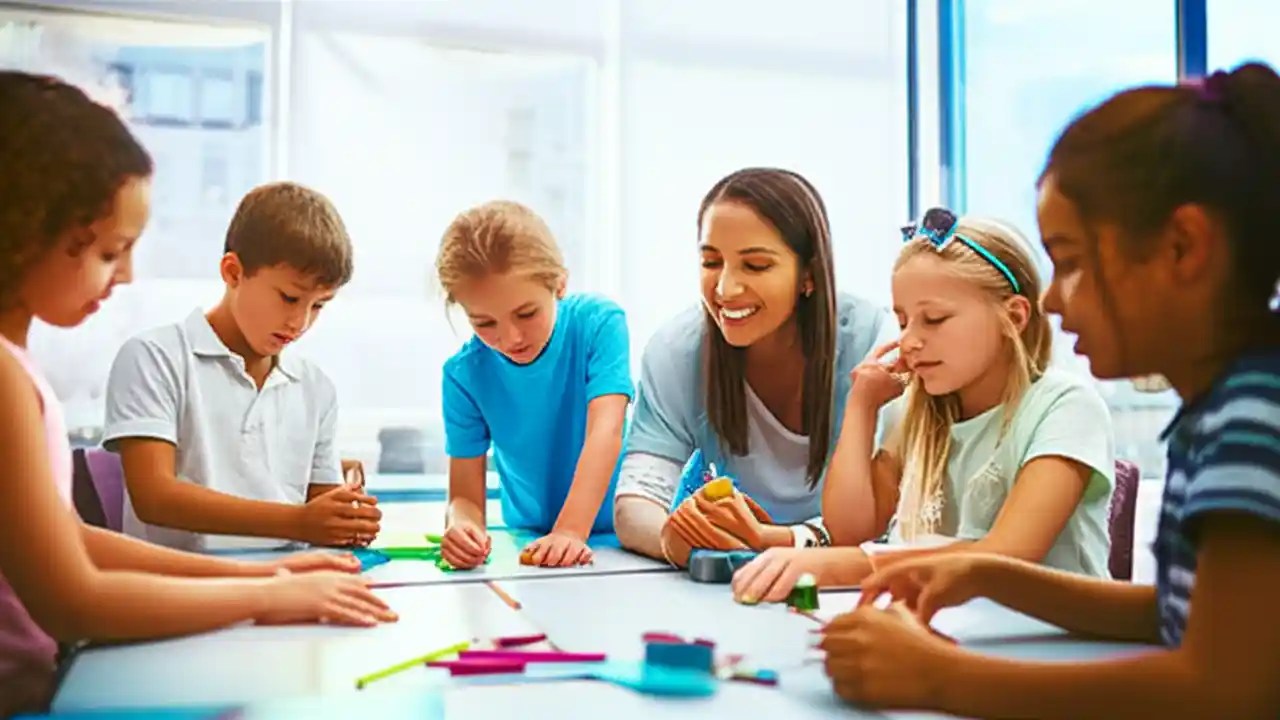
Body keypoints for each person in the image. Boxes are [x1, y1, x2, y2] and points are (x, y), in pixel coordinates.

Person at [821, 63, 1280, 718]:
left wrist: (938, 678)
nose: (1054, 299)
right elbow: (1175, 614)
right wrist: (985, 573)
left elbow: (1223, 687)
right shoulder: (1221, 410)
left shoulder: (1254, 417)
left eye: (1072, 263)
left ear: (1184, 247)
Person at [0, 71, 394, 718]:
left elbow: (72, 540)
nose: (125, 275)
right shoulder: (13, 379)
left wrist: (273, 573)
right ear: (23, 234)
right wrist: (267, 593)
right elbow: (71, 596)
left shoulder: (18, 370)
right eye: (107, 251)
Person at [731, 211, 1114, 602]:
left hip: (1053, 648)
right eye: (903, 322)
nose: (910, 341)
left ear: (1013, 317)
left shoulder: (1066, 409)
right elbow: (849, 531)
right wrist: (862, 405)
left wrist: (834, 567)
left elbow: (1006, 556)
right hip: (958, 634)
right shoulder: (915, 412)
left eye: (933, 319)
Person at [613, 167, 893, 566]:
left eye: (756, 266)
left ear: (808, 274)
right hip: (735, 582)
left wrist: (770, 541)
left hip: (846, 582)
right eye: (711, 262)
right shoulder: (676, 351)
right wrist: (672, 540)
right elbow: (636, 499)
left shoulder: (873, 344)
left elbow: (889, 518)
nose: (725, 289)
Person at [104, 181, 381, 551]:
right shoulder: (153, 357)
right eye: (290, 297)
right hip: (182, 592)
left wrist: (347, 519)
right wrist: (299, 521)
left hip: (293, 585)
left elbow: (321, 507)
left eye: (319, 306)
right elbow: (155, 498)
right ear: (233, 272)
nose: (300, 322)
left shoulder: (316, 387)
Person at [436, 200, 632, 569]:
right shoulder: (463, 375)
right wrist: (462, 527)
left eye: (526, 314)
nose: (510, 338)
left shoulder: (598, 323)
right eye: (484, 323)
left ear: (560, 283)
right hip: (531, 539)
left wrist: (571, 531)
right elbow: (465, 496)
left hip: (623, 531)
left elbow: (606, 429)